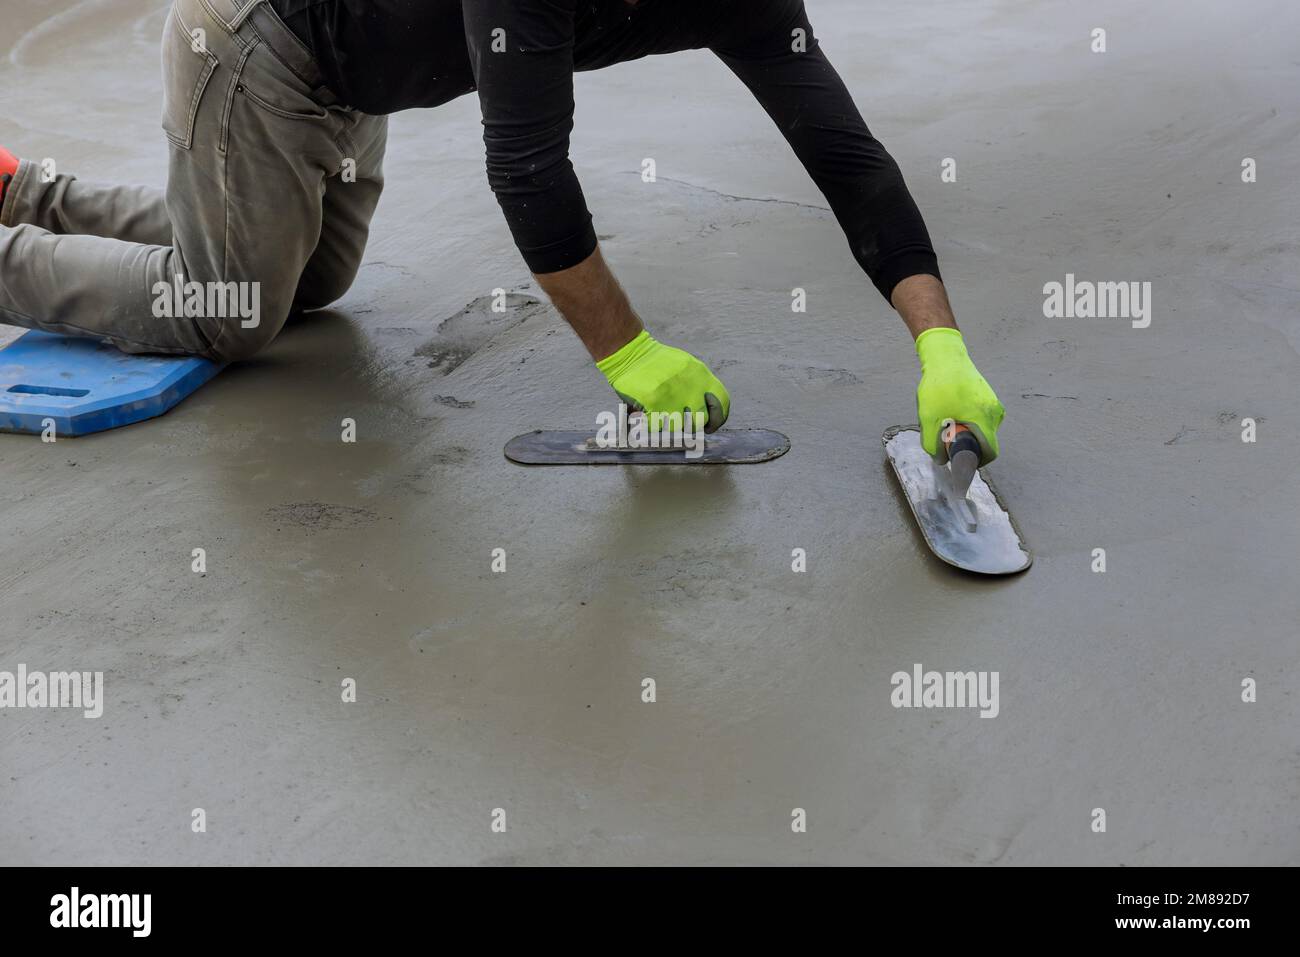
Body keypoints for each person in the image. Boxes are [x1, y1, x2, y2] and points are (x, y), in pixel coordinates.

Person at [0, 0, 1004, 462]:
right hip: (256, 49)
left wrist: (940, 347)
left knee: (311, 282)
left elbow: (847, 158)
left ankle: (20, 188)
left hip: (348, 78)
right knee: (237, 311)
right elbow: (525, 169)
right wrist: (632, 355)